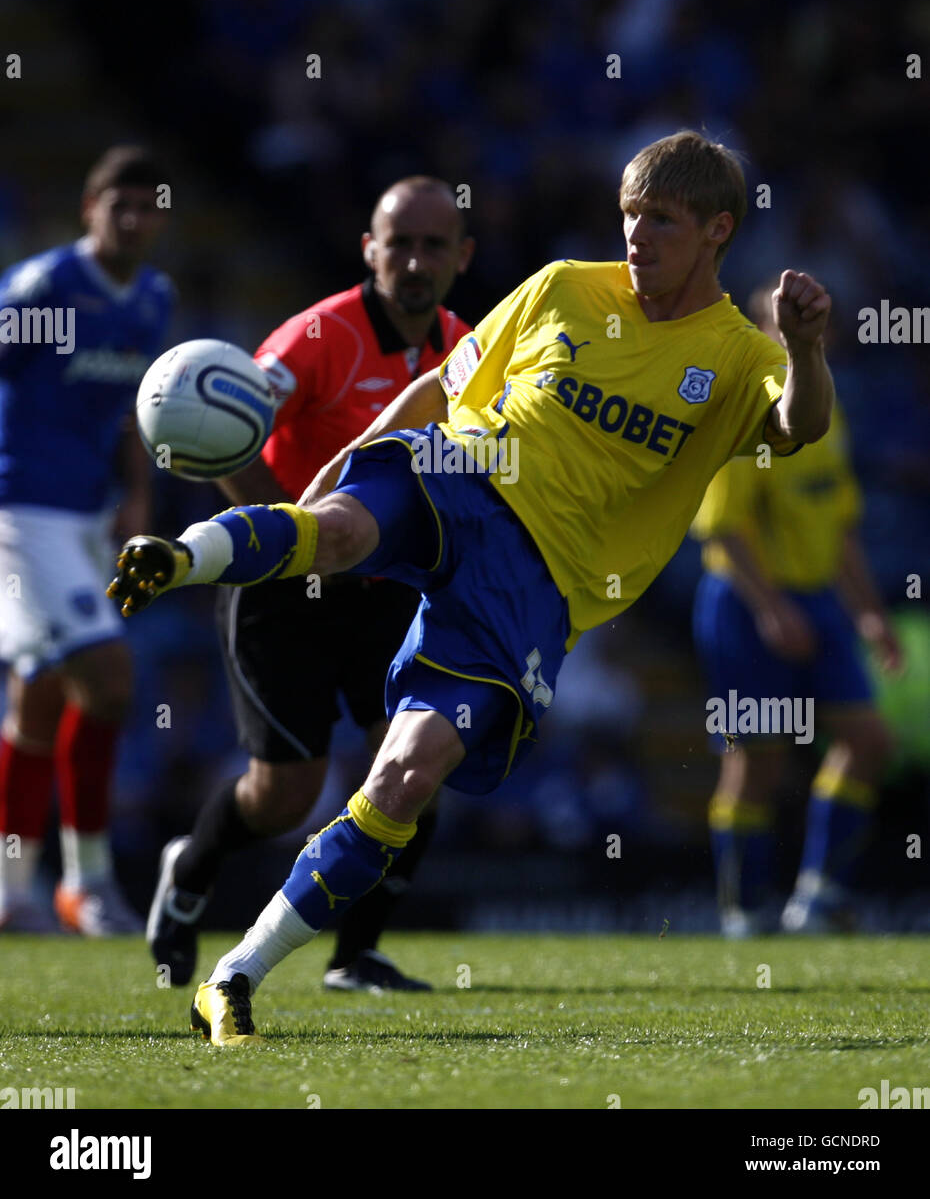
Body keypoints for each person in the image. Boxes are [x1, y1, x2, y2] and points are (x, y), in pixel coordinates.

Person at [108, 130, 835, 1043]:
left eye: (662, 221)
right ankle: (181, 555)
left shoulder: (734, 354)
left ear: (719, 230)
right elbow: (446, 393)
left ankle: (235, 975)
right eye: (629, 216)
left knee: (405, 777)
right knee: (337, 531)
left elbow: (798, 425)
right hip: (466, 472)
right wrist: (340, 459)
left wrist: (806, 348)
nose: (637, 237)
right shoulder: (567, 286)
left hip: (540, 587)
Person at [146, 175, 473, 991]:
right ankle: (193, 863)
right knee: (285, 795)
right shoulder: (317, 336)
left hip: (390, 587)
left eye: (435, 244)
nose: (415, 259)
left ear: (463, 257)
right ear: (370, 248)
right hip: (283, 591)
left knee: (418, 762)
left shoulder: (467, 345)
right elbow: (225, 432)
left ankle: (354, 955)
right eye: (399, 241)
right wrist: (286, 538)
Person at [691, 281, 901, 937]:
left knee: (869, 741)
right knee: (757, 759)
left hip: (819, 600)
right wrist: (770, 608)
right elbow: (722, 527)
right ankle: (743, 911)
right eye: (778, 325)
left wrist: (868, 613)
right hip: (747, 601)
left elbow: (838, 527)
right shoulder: (748, 409)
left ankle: (817, 894)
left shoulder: (825, 415)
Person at [0, 146, 173, 934]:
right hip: (21, 511)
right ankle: (91, 883)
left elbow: (139, 411)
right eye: (118, 206)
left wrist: (136, 496)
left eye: (147, 206)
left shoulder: (152, 301)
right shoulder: (45, 289)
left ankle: (13, 889)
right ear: (89, 209)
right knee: (109, 680)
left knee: (39, 700)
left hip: (90, 519)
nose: (133, 220)